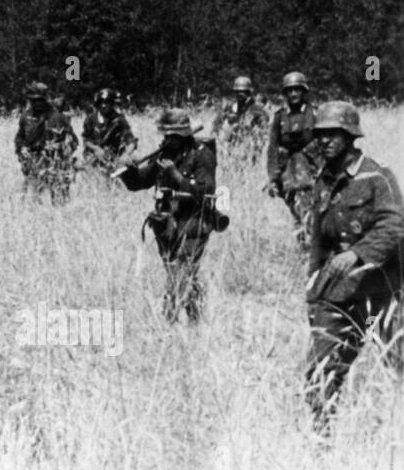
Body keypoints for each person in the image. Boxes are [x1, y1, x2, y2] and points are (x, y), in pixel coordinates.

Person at [303, 102, 404, 434]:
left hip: (378, 296)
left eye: (333, 134)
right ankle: (321, 443)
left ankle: (400, 436)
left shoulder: (376, 177)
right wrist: (314, 292)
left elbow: (396, 227)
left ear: (351, 136)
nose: (324, 141)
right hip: (338, 296)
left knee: (392, 367)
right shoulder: (324, 181)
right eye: (320, 135)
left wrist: (356, 254)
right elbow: (318, 242)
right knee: (320, 370)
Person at [117, 109, 224, 323]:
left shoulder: (202, 155)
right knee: (175, 269)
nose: (167, 140)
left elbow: (205, 190)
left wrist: (175, 174)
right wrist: (127, 168)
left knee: (182, 269)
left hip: (195, 220)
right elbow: (140, 182)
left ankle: (169, 320)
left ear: (184, 135)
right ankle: (195, 318)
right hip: (167, 222)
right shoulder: (163, 155)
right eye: (165, 135)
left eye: (172, 136)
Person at [266, 72, 320, 242]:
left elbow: (325, 144)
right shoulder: (279, 117)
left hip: (312, 170)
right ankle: (303, 244)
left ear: (304, 91)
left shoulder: (316, 113)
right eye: (289, 90)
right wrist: (273, 177)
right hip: (287, 172)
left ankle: (313, 246)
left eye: (297, 90)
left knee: (312, 210)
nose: (293, 94)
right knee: (296, 210)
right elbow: (273, 148)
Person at [14, 82, 77, 203]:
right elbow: (19, 137)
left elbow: (73, 141)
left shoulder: (57, 117)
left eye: (40, 100)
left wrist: (58, 149)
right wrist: (21, 149)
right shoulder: (26, 116)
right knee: (32, 201)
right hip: (33, 165)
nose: (37, 103)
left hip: (54, 166)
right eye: (33, 100)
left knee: (58, 202)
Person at [211, 76, 270, 160]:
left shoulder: (257, 110)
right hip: (232, 149)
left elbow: (264, 131)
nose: (240, 94)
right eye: (237, 91)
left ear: (249, 92)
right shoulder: (231, 108)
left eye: (244, 92)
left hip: (251, 151)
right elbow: (216, 123)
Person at [81, 88, 138, 172]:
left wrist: (126, 155)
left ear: (112, 104)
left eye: (107, 102)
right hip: (92, 158)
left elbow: (131, 141)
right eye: (101, 102)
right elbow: (86, 140)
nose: (103, 105)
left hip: (112, 159)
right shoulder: (90, 119)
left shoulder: (119, 120)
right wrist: (96, 148)